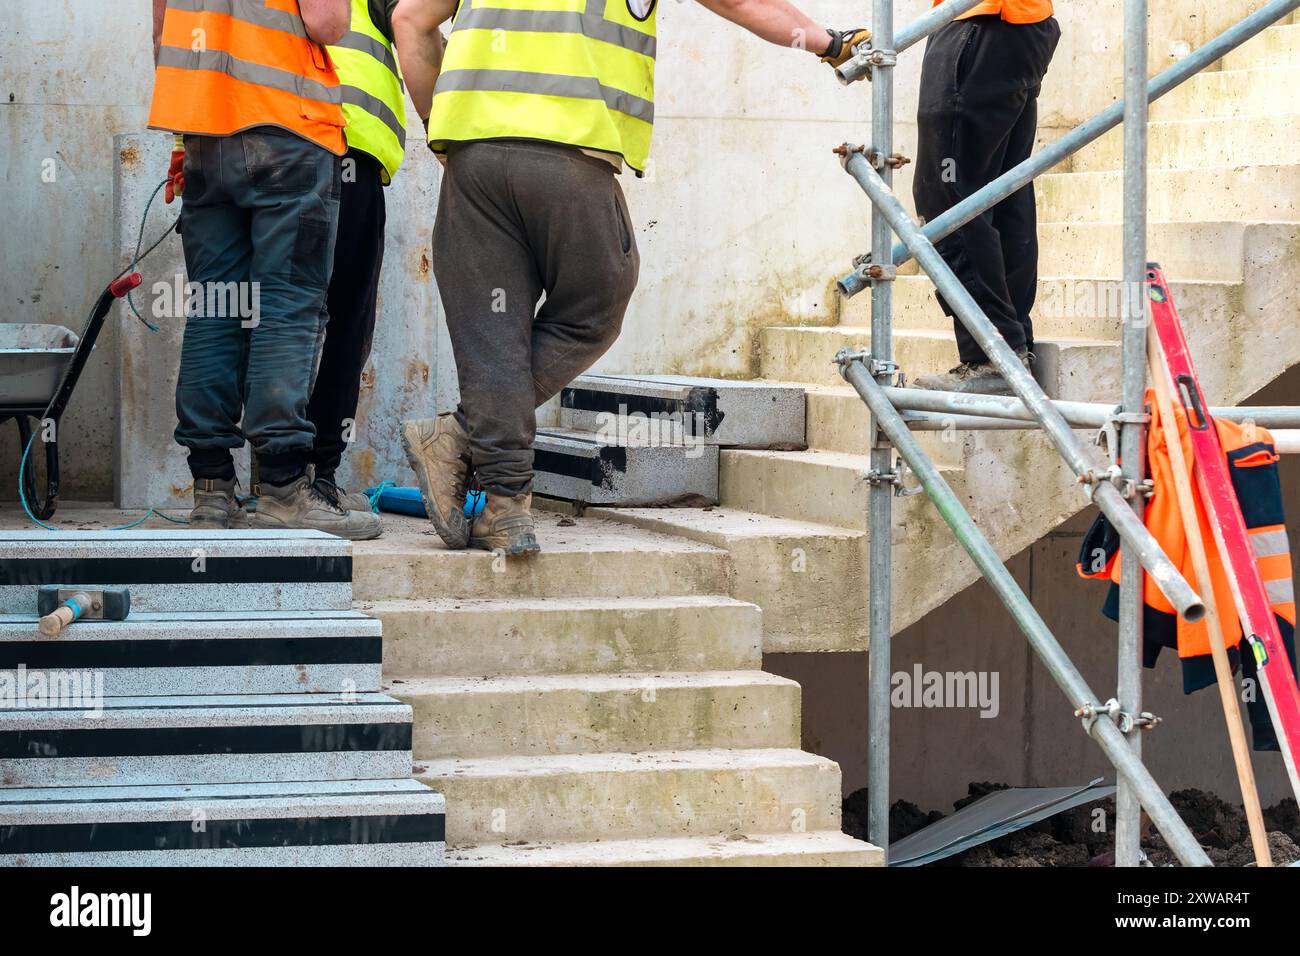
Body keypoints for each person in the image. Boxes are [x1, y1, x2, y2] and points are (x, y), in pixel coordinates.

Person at [393, 0, 869, 556]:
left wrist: (443, 128)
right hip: (570, 151)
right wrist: (828, 42)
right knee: (592, 310)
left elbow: (411, 20)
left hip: (474, 154)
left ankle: (505, 507)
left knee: (493, 339)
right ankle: (467, 450)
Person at [148, 0, 380, 539]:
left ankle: (211, 491)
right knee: (288, 308)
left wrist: (186, 138)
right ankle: (281, 488)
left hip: (205, 133)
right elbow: (327, 23)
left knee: (215, 309)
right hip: (288, 130)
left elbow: (163, 35)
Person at [304, 0, 443, 515]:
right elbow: (415, 24)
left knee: (268, 315)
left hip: (259, 148)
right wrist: (445, 124)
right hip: (344, 146)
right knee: (342, 318)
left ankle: (251, 481)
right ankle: (311, 476)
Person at [911, 0, 1060, 396]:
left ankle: (991, 356)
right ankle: (1010, 348)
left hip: (980, 25)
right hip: (1018, 27)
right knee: (1001, 195)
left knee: (946, 195)